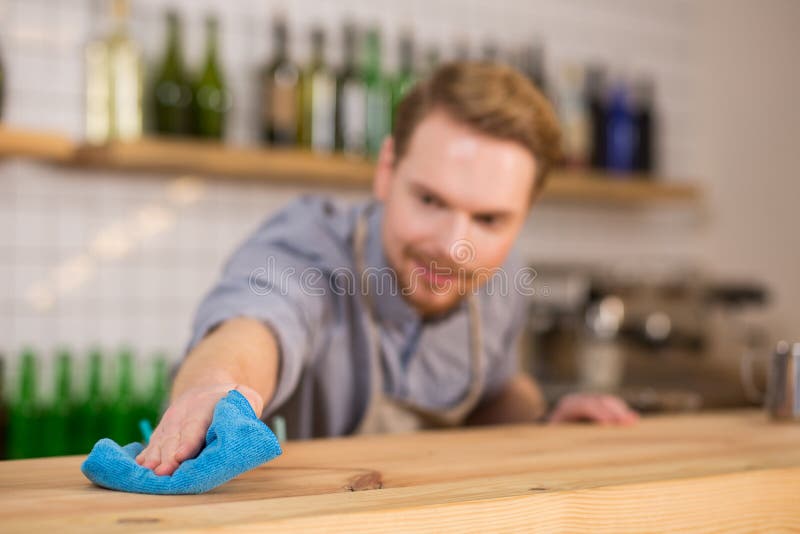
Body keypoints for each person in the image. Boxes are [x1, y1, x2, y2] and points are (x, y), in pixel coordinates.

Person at [136, 62, 638, 476]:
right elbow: (256, 322)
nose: (453, 247)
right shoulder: (308, 246)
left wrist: (550, 418)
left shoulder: (504, 279)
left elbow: (495, 392)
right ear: (386, 170)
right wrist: (216, 387)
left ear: (525, 212)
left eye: (489, 219)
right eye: (429, 199)